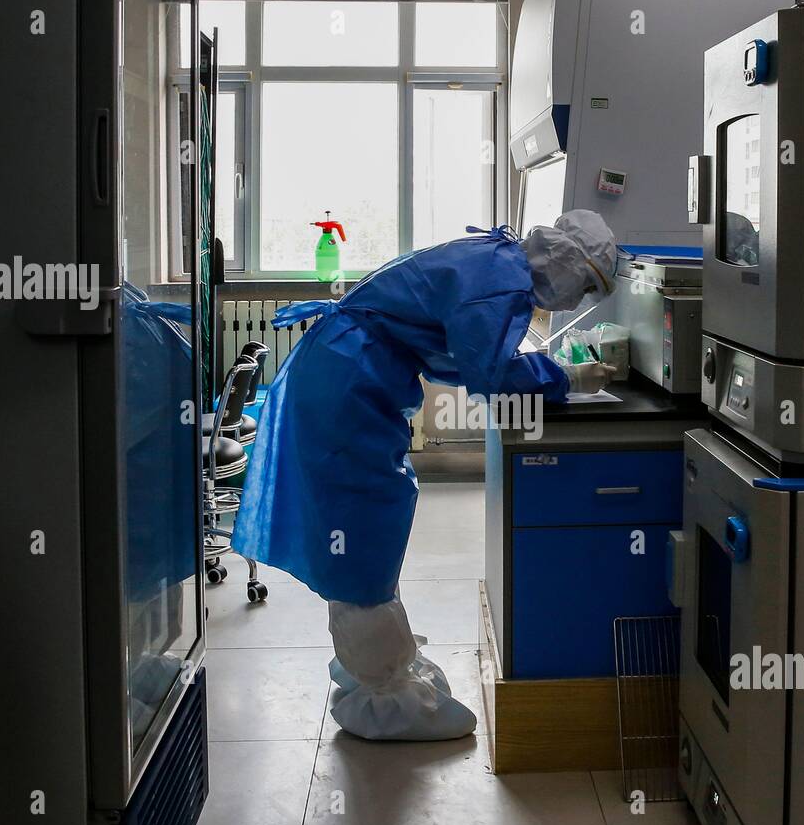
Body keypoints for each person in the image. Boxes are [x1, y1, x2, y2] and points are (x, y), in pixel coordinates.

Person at [232, 209, 619, 741]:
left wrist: (544, 374)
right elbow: (492, 374)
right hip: (350, 381)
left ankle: (377, 659)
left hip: (349, 369)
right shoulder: (498, 283)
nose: (578, 300)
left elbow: (454, 352)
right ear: (569, 263)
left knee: (368, 525)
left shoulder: (499, 263)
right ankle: (383, 694)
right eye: (586, 286)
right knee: (362, 526)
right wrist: (565, 376)